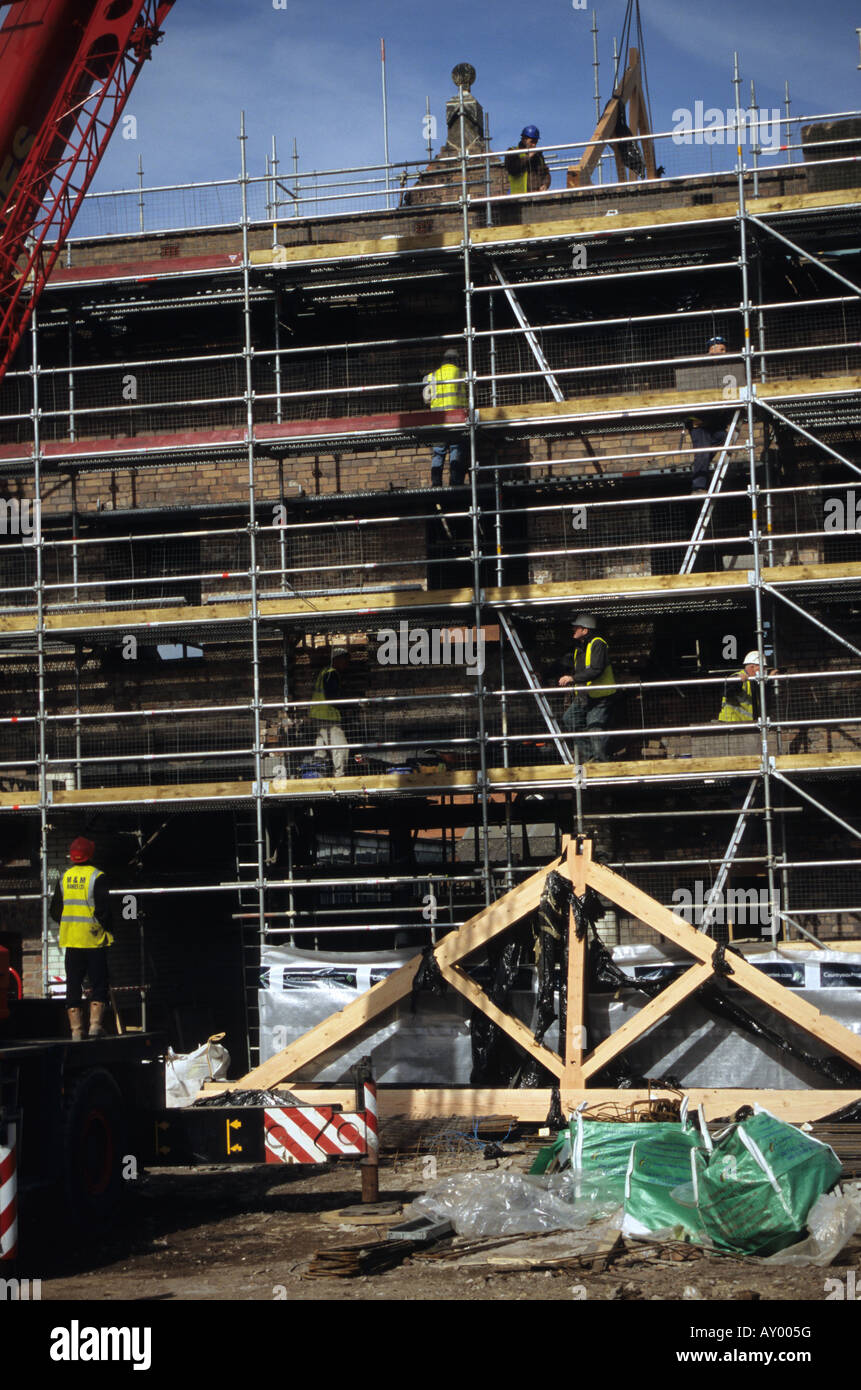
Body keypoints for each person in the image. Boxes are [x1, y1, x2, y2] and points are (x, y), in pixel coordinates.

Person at [49, 837, 114, 1040]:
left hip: (72, 940)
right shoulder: (97, 876)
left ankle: (76, 1030)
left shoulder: (64, 877)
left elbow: (54, 910)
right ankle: (95, 1026)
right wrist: (109, 929)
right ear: (90, 854)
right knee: (99, 982)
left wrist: (69, 925)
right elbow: (104, 910)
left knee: (73, 983)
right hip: (93, 940)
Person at [557, 613, 616, 762]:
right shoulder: (580, 648)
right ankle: (592, 757)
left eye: (577, 627)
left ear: (585, 630)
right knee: (569, 718)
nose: (574, 630)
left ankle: (602, 765)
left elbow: (596, 670)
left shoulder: (598, 644)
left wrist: (572, 678)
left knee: (595, 730)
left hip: (600, 697)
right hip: (584, 696)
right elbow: (573, 667)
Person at [685, 336, 737, 493]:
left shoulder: (729, 371)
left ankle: (702, 468)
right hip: (699, 422)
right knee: (702, 452)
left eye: (723, 350)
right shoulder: (701, 370)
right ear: (710, 351)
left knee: (723, 438)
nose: (722, 352)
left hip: (715, 423)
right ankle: (698, 486)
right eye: (718, 349)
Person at [424, 347, 468, 486]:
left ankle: (436, 483)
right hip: (457, 422)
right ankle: (455, 481)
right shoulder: (464, 375)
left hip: (438, 423)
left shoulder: (432, 377)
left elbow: (426, 399)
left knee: (438, 452)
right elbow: (473, 396)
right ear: (457, 360)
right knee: (455, 450)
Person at [309, 647, 350, 776]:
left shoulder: (325, 672)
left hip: (319, 716)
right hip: (328, 719)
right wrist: (348, 706)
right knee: (341, 748)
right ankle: (339, 777)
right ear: (337, 660)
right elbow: (333, 697)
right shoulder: (331, 674)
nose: (346, 664)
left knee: (320, 751)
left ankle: (317, 777)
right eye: (345, 660)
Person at [718, 650, 772, 722]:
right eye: (763, 667)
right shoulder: (737, 677)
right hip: (731, 723)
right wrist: (738, 682)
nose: (765, 670)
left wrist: (770, 679)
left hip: (746, 723)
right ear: (752, 667)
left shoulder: (754, 681)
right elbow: (726, 692)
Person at [504, 125, 551, 195]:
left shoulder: (538, 155)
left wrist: (545, 185)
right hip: (519, 198)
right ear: (524, 139)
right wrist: (528, 157)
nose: (534, 145)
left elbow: (546, 173)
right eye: (532, 142)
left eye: (536, 142)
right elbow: (512, 169)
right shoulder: (513, 152)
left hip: (537, 196)